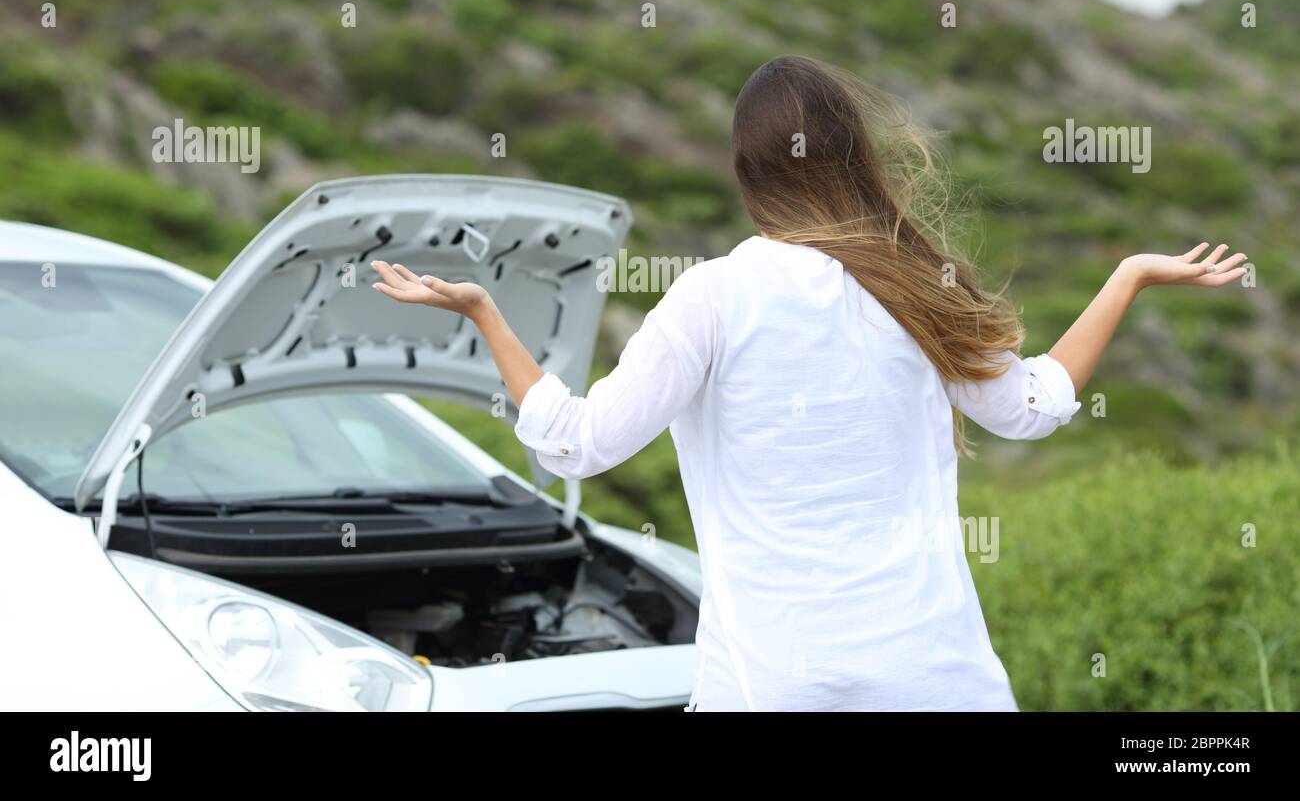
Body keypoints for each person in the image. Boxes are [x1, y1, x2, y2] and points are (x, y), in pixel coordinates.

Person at [372, 55, 1246, 711]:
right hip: (934, 678)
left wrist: (486, 314)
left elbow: (576, 440)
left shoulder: (715, 294)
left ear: (749, 173)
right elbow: (1033, 407)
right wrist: (1125, 277)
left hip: (777, 682)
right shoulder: (911, 284)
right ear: (854, 159)